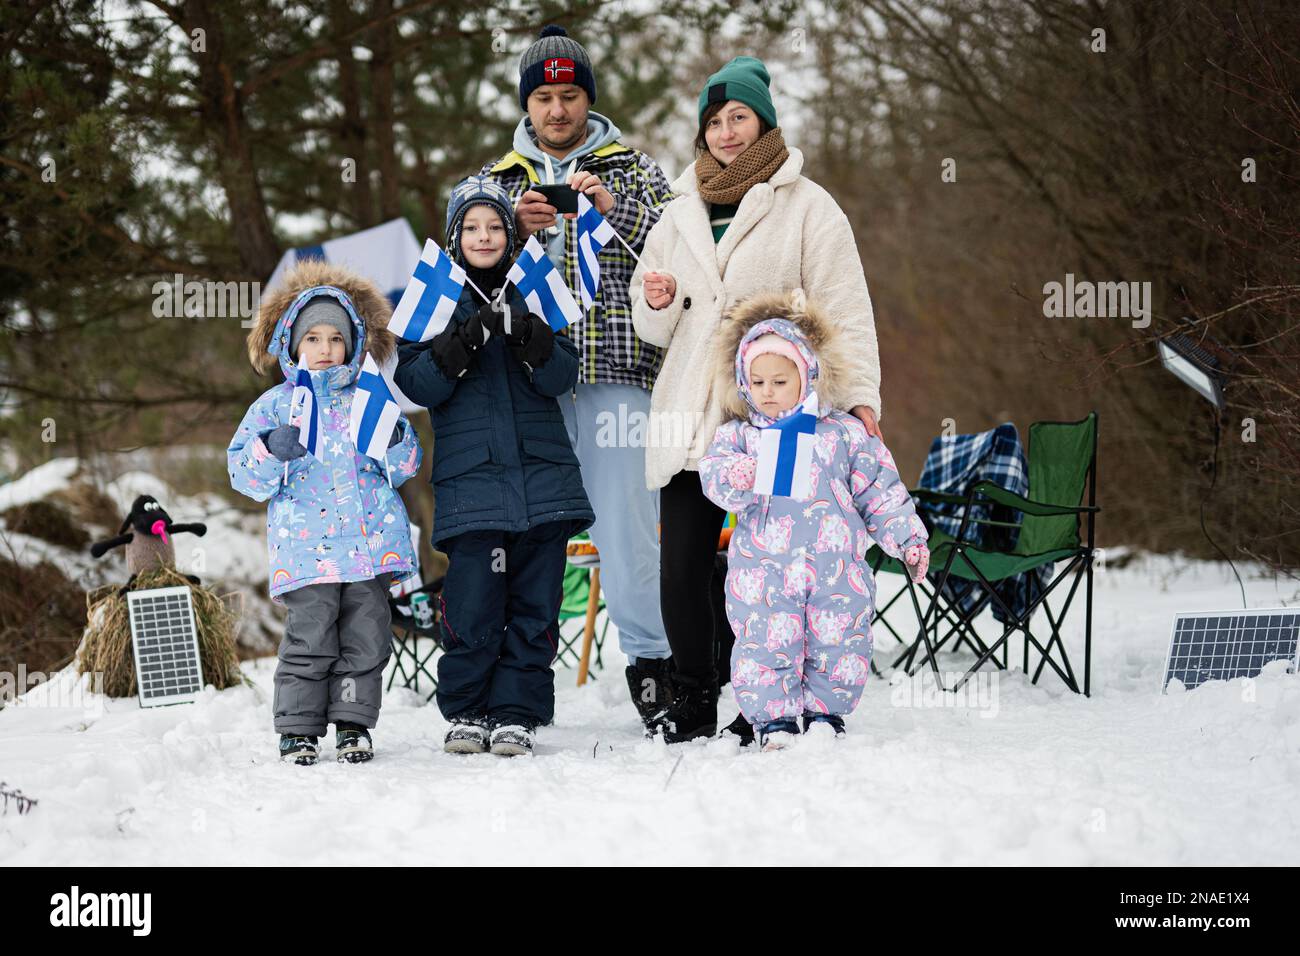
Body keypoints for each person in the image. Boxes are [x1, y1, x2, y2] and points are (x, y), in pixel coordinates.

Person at [630, 56, 887, 743]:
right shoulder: (677, 210)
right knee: (682, 560)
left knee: (765, 566)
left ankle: (762, 700)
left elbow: (846, 309)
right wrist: (655, 303)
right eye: (713, 121)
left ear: (764, 121)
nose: (725, 131)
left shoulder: (808, 206)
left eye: (737, 116)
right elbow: (651, 322)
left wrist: (860, 397)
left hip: (772, 414)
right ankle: (691, 698)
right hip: (690, 408)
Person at [479, 24, 677, 733]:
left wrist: (612, 211)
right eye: (544, 98)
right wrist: (513, 232)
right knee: (527, 532)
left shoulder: (634, 169)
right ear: (527, 106)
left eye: (569, 95)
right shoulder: (495, 181)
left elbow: (676, 248)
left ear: (587, 99)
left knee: (626, 527)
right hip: (526, 386)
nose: (557, 111)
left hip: (616, 374)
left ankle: (654, 668)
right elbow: (458, 269)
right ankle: (513, 685)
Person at [393, 176, 594, 757]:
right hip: (473, 487)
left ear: (510, 234)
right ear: (456, 237)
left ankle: (516, 712)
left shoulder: (532, 289)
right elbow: (414, 383)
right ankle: (468, 709)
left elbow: (563, 376)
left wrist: (531, 337)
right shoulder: (435, 298)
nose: (485, 236)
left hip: (543, 482)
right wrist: (456, 346)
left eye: (496, 226)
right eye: (472, 227)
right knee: (473, 604)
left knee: (535, 608)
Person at [699, 290, 929, 749]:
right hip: (765, 572)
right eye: (758, 382)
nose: (768, 392)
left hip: (835, 568)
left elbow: (880, 489)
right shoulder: (741, 437)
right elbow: (715, 480)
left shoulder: (842, 433)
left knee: (839, 639)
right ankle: (774, 721)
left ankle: (827, 715)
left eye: (780, 382)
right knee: (766, 642)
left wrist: (907, 539)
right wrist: (738, 476)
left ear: (807, 376)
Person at [228, 261, 423, 765]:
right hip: (306, 552)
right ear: (293, 345)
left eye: (336, 339)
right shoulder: (275, 405)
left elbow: (404, 467)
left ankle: (354, 724)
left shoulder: (369, 399)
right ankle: (298, 728)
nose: (324, 349)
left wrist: (398, 438)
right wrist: (270, 450)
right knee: (310, 640)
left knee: (366, 639)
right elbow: (245, 477)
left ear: (354, 343)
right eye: (312, 338)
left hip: (369, 547)